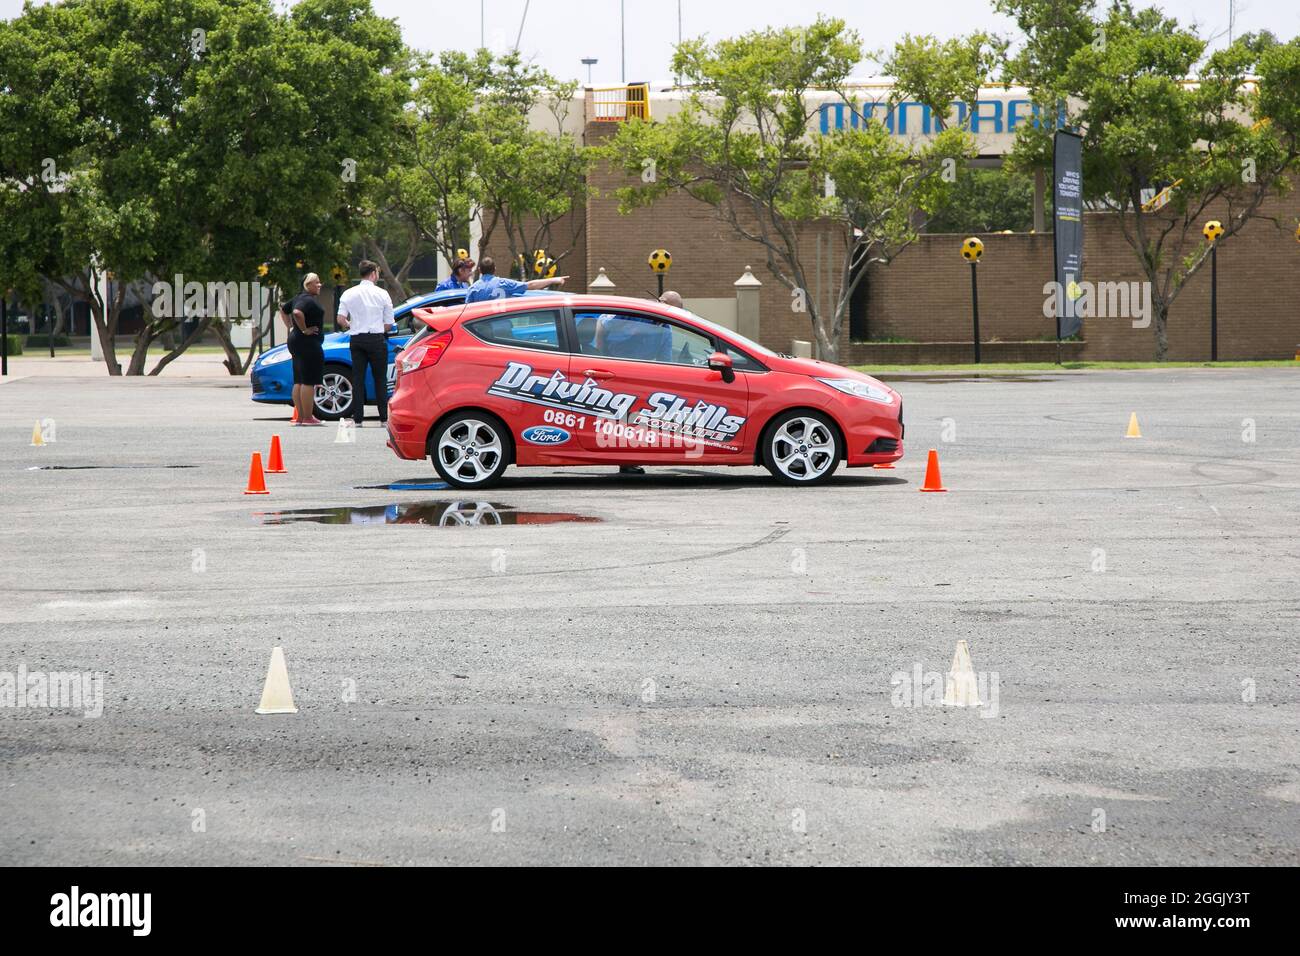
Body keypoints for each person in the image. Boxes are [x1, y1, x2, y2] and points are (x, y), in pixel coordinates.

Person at [336, 260, 396, 427]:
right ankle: (384, 419)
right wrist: (379, 327)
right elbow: (389, 323)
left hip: (357, 339)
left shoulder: (348, 293)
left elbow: (340, 319)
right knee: (380, 379)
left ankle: (358, 419)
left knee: (358, 378)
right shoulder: (382, 293)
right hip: (376, 339)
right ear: (373, 274)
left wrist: (351, 325)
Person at [285, 273, 326, 426]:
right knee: (309, 380)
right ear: (307, 285)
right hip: (307, 342)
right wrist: (303, 329)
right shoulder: (307, 300)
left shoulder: (298, 298)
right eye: (316, 282)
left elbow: (284, 310)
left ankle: (301, 417)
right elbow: (296, 312)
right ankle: (308, 417)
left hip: (296, 341)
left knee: (299, 380)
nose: (320, 285)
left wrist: (290, 327)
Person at [464, 256, 566, 303]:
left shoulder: (473, 289)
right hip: (503, 329)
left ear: (480, 270)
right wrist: (554, 280)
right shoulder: (503, 283)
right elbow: (530, 285)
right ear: (495, 269)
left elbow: (466, 311)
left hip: (480, 332)